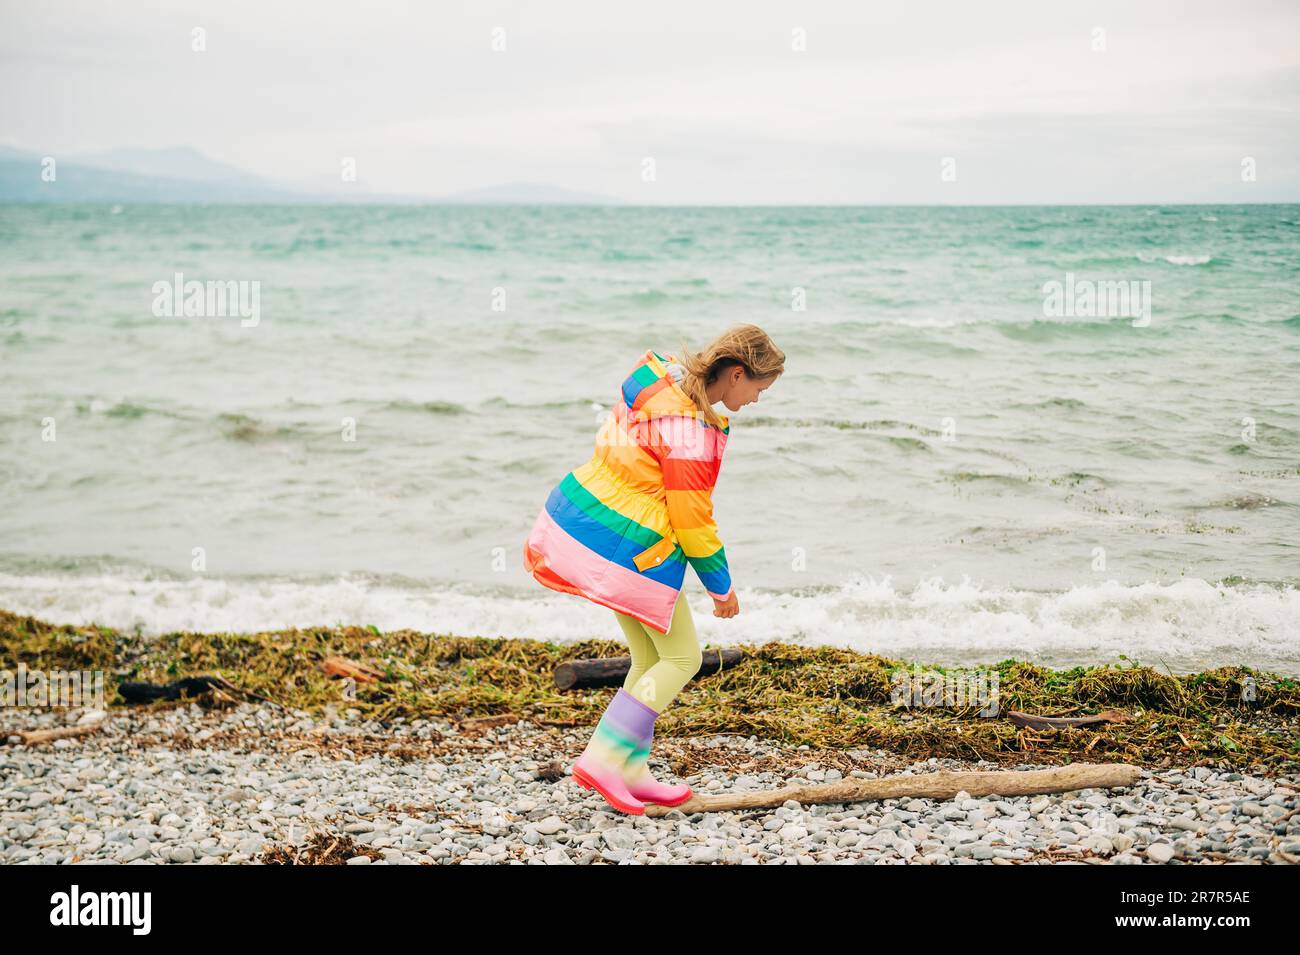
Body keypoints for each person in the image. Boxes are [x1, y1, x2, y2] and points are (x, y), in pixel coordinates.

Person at [522, 323, 785, 814]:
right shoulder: (689, 433)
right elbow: (691, 519)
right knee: (683, 658)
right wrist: (720, 586)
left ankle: (631, 768)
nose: (756, 400)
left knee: (648, 659)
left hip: (592, 524)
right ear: (735, 374)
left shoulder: (660, 383)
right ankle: (601, 760)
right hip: (633, 549)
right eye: (757, 388)